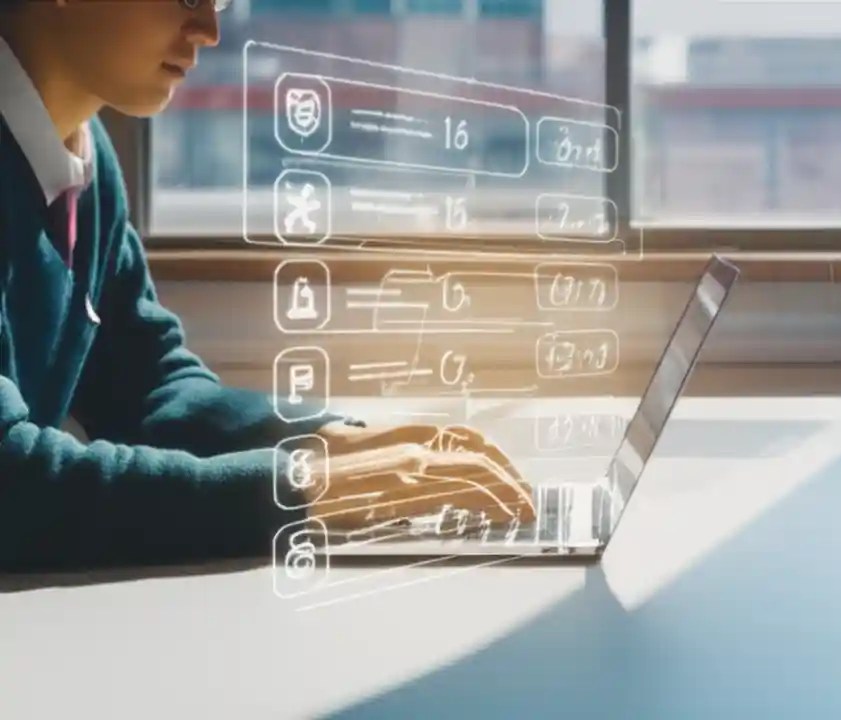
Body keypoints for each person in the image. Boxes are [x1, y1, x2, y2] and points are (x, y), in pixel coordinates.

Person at [0, 0, 533, 572]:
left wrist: (334, 436)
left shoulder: (85, 152)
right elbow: (16, 487)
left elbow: (153, 391)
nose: (209, 29)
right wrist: (298, 487)